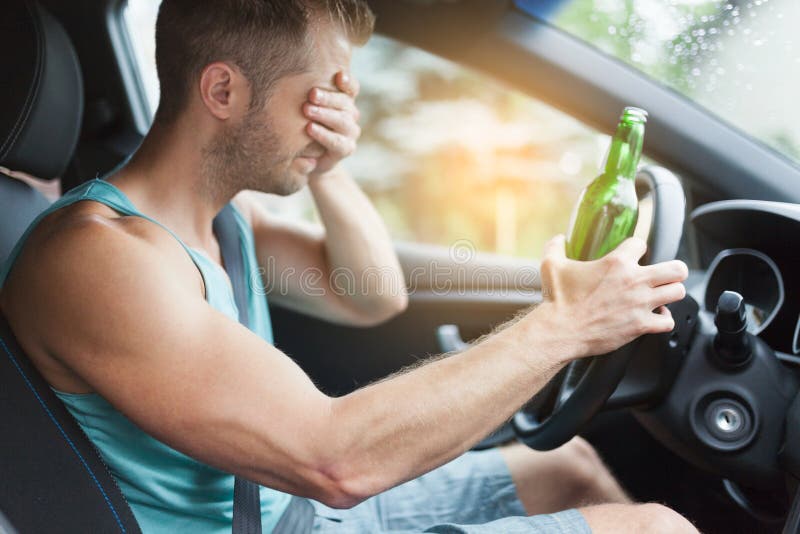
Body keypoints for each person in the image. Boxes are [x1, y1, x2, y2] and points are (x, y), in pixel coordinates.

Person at [0, 1, 695, 532]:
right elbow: (335, 460)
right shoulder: (99, 257)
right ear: (222, 93)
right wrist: (565, 325)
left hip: (300, 513)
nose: (337, 114)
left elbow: (372, 296)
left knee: (566, 469)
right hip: (301, 503)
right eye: (320, 97)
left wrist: (325, 169)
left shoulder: (227, 221)